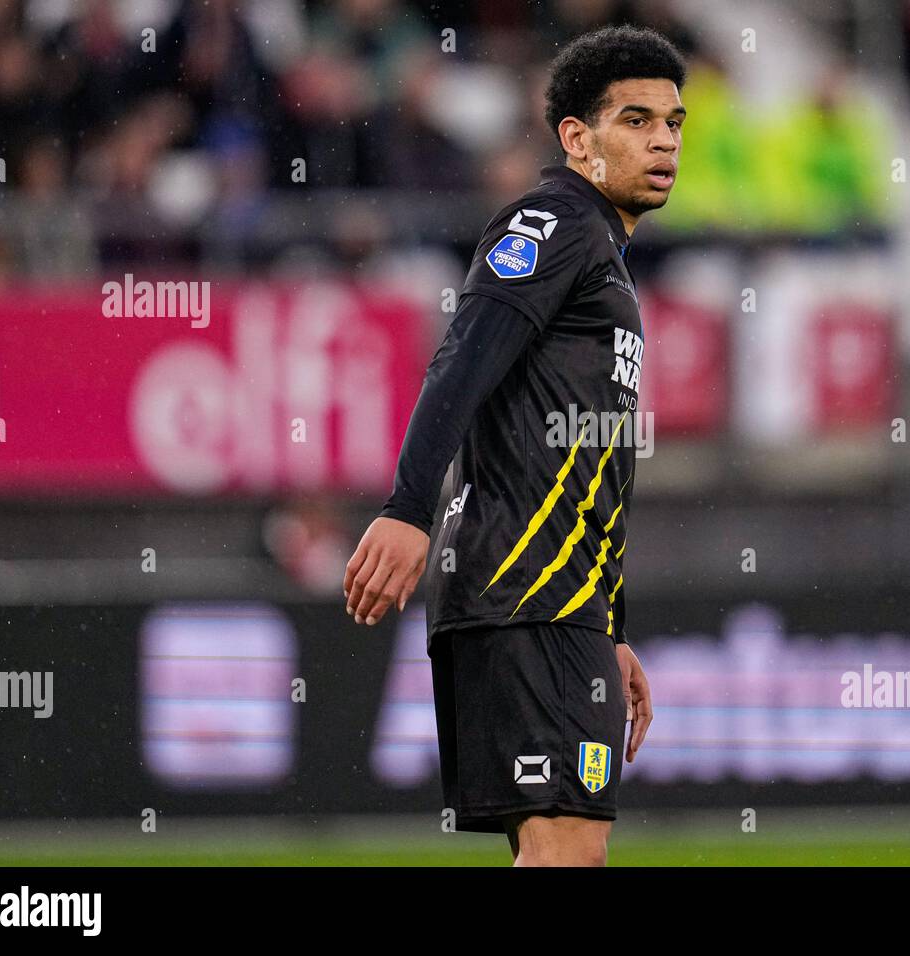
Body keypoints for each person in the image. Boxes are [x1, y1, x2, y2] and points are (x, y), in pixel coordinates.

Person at [343, 25, 687, 866]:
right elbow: (462, 360)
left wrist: (607, 626)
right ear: (577, 138)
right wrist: (406, 508)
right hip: (524, 588)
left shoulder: (600, 249)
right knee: (566, 852)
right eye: (636, 121)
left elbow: (590, 468)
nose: (664, 141)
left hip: (557, 601)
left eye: (674, 122)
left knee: (564, 851)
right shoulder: (553, 222)